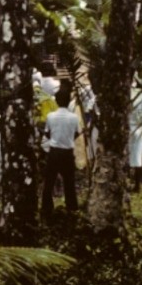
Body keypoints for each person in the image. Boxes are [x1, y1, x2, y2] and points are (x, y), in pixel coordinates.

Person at [42, 89, 81, 217]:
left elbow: (47, 133)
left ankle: (47, 208)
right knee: (69, 181)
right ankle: (72, 207)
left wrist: (56, 137)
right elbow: (77, 132)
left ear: (56, 101)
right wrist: (67, 138)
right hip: (68, 151)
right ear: (69, 101)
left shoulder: (51, 116)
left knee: (49, 182)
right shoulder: (74, 117)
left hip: (54, 150)